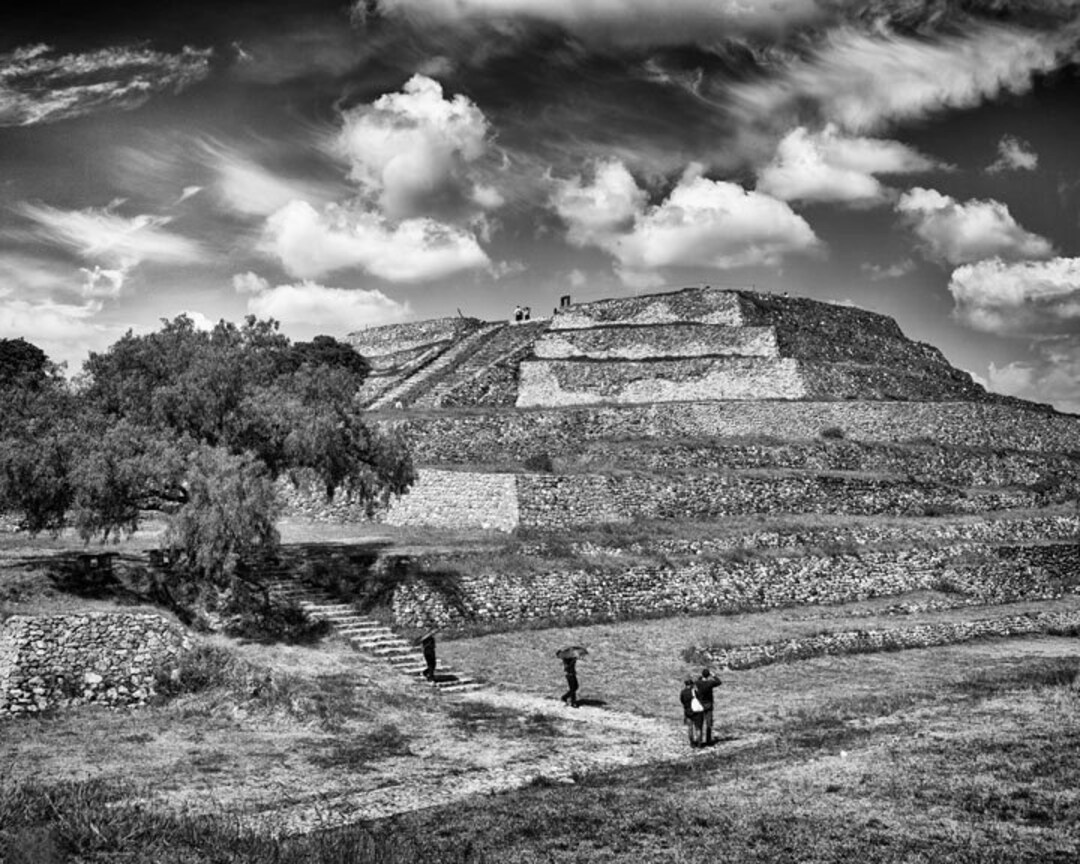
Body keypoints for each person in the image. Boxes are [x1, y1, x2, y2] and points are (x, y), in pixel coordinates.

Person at [695, 668, 722, 745]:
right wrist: (714, 675)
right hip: (709, 704)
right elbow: (719, 682)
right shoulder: (710, 683)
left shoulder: (698, 683)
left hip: (700, 705)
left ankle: (699, 741)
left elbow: (696, 682)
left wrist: (700, 677)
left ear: (702, 674)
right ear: (708, 675)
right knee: (709, 723)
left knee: (699, 723)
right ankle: (708, 740)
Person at [679, 678, 704, 747]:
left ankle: (692, 743)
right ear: (692, 684)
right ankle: (699, 743)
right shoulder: (695, 691)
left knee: (690, 728)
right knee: (698, 728)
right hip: (697, 712)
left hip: (688, 712)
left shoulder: (683, 692)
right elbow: (700, 699)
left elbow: (682, 701)